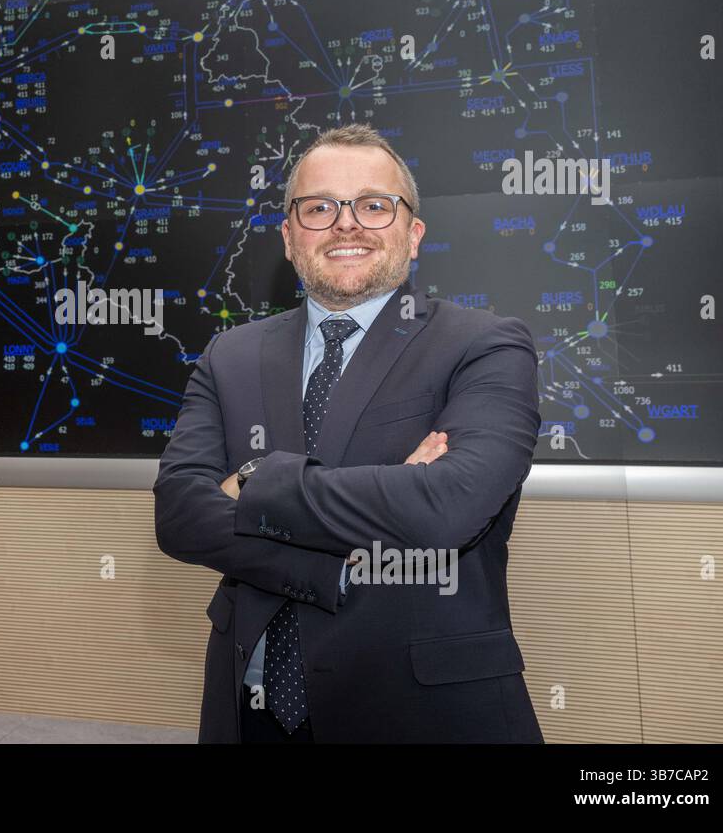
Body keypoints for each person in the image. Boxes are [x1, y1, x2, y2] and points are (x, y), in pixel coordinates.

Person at [154, 123, 543, 742]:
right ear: (288, 237)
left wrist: (255, 477)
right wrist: (366, 525)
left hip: (422, 713)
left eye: (373, 204)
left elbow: (447, 509)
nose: (345, 223)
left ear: (413, 234)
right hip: (248, 713)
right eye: (319, 207)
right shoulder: (229, 355)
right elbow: (179, 516)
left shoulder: (485, 346)